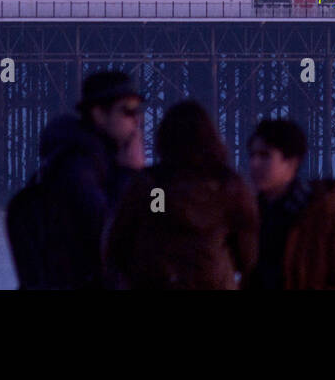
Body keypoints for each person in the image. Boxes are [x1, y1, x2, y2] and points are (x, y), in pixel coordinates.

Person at [8, 69, 145, 289]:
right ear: (99, 114)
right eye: (128, 111)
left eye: (139, 110)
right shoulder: (77, 167)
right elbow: (108, 238)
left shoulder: (84, 159)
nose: (137, 120)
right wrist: (129, 174)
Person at [106, 99, 258, 289]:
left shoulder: (155, 185)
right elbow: (248, 256)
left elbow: (118, 246)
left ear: (165, 139)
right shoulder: (227, 185)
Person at [243, 118, 335, 290]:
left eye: (265, 156)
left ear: (291, 162)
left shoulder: (325, 217)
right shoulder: (249, 215)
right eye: (252, 155)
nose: (254, 163)